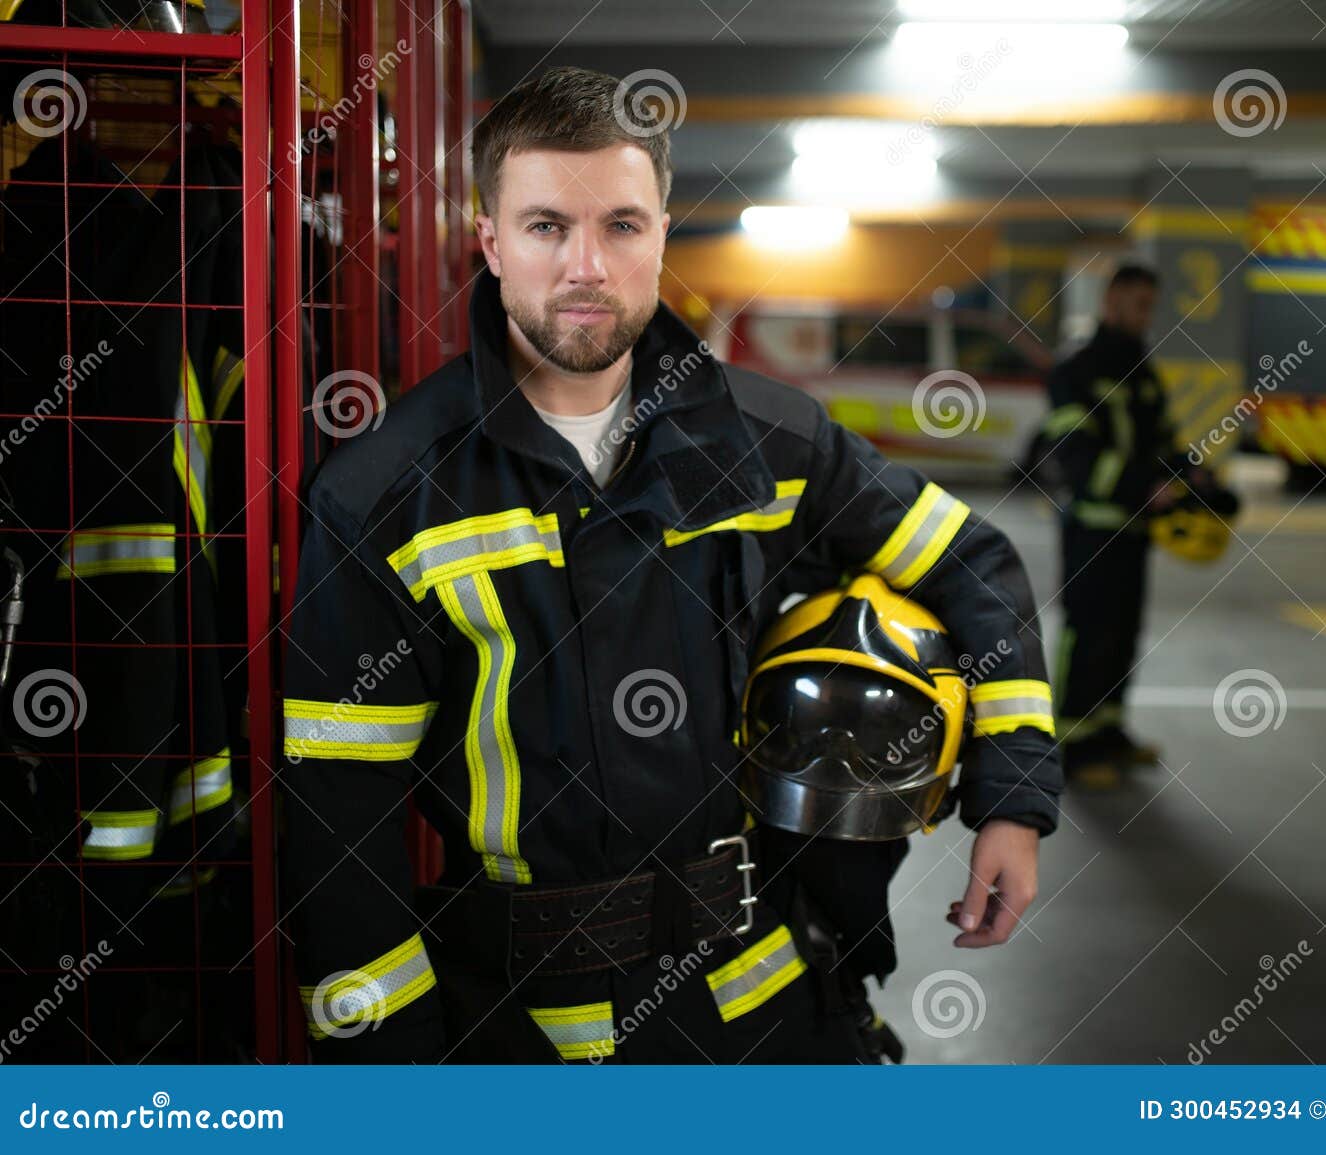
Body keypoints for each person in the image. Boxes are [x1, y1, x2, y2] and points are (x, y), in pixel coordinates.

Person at [279, 66, 1062, 1063]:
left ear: (659, 234)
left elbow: (972, 563)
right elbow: (338, 811)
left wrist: (1013, 802)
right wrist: (392, 1065)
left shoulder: (774, 441)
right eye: (546, 227)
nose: (586, 269)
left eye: (621, 226)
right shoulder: (386, 495)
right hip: (516, 1027)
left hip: (761, 1001)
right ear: (489, 244)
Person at [1035, 263, 1207, 784]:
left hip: (1134, 532)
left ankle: (1108, 730)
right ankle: (1071, 743)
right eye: (1137, 304)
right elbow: (1076, 454)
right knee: (1087, 634)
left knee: (1124, 632)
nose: (1144, 315)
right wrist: (1142, 487)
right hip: (1092, 531)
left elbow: (1161, 439)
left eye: (1150, 306)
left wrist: (1191, 473)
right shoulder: (1077, 371)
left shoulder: (1140, 367)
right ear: (1110, 302)